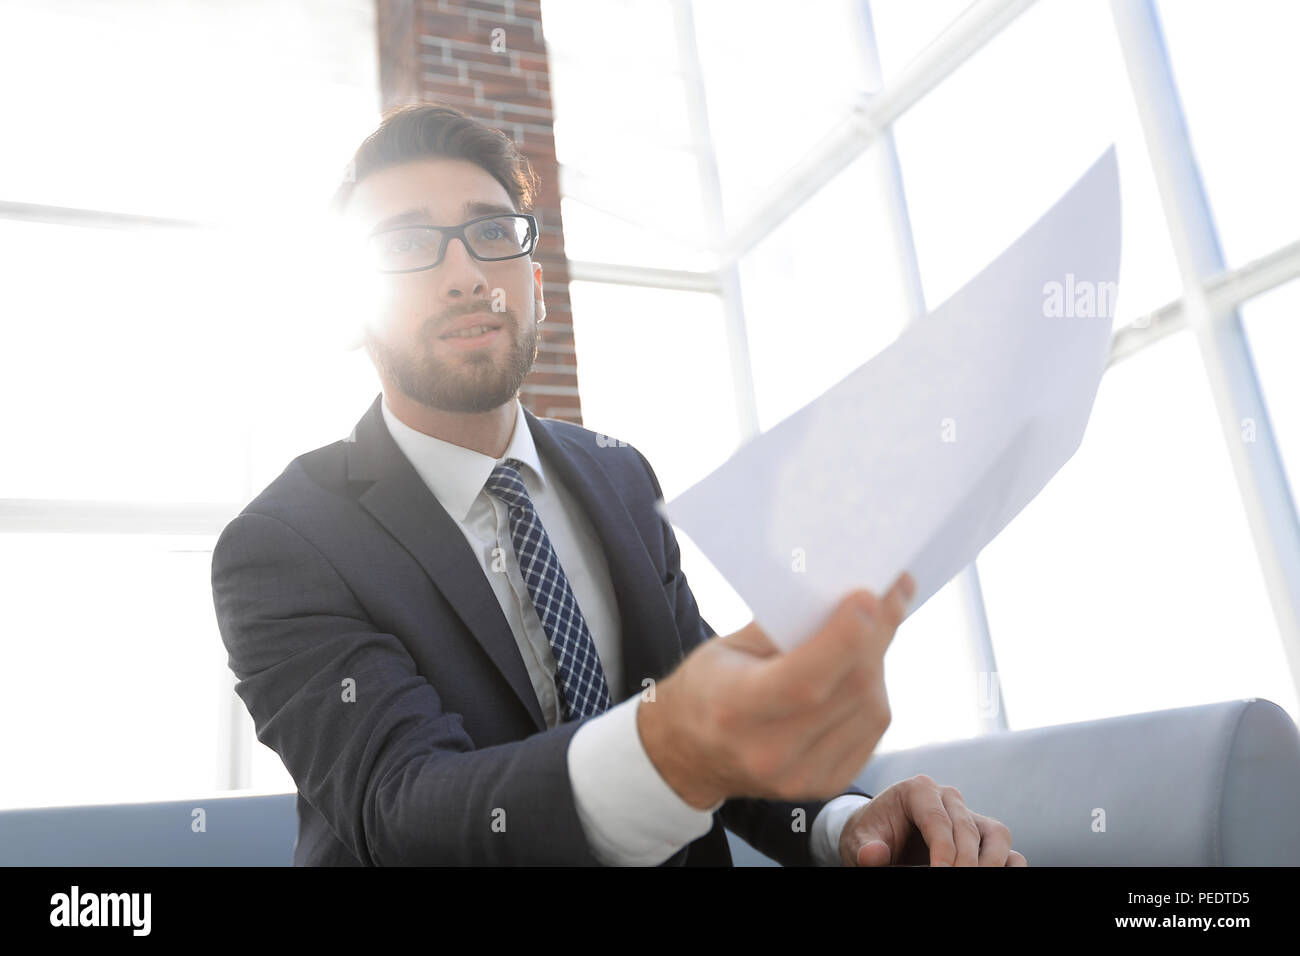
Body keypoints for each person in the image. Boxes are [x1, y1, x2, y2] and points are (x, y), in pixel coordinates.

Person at [210, 102, 1026, 867]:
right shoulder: (284, 544)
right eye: (404, 245)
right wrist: (672, 740)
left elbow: (717, 734)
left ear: (533, 281)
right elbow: (403, 807)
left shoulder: (619, 475)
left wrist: (846, 824)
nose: (464, 274)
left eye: (492, 232)